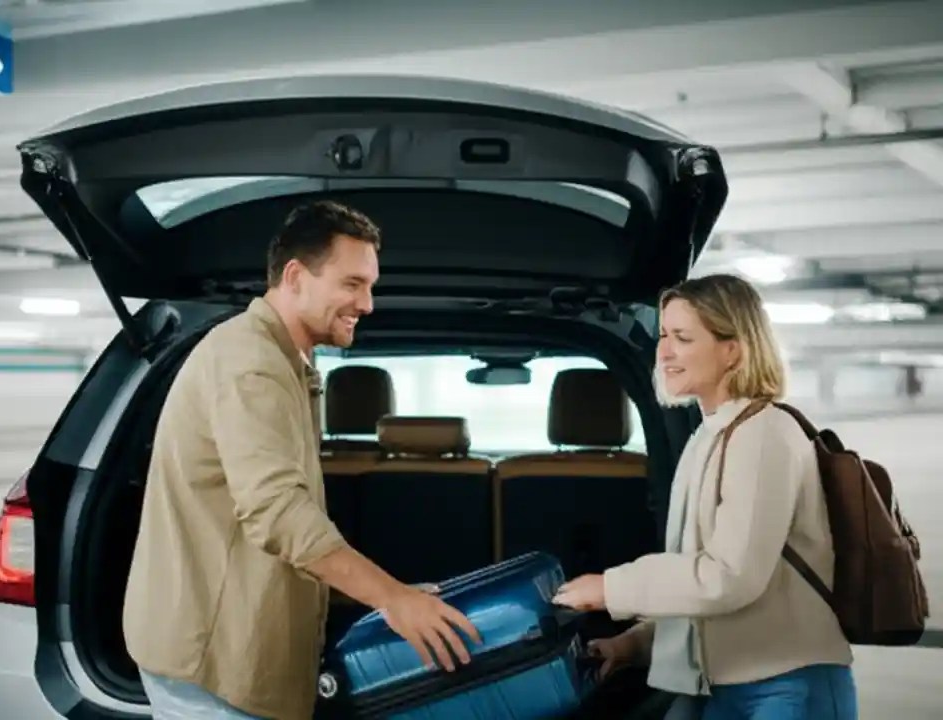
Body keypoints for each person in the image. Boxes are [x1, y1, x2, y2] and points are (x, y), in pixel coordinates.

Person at [122, 200, 481, 720]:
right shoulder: (250, 363)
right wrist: (393, 599)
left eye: (370, 286)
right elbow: (276, 510)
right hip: (212, 661)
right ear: (294, 277)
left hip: (228, 650)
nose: (368, 304)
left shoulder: (284, 359)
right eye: (352, 284)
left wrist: (389, 597)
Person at [552, 273, 856, 719]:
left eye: (683, 338)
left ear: (732, 350)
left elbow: (728, 577)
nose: (664, 352)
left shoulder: (762, 434)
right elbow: (702, 596)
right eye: (663, 336)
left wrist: (610, 588)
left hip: (785, 688)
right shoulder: (710, 436)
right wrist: (632, 645)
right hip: (726, 687)